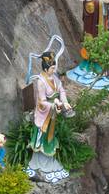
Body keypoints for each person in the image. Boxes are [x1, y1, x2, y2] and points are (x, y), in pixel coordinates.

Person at [26, 50, 74, 183]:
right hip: (44, 116)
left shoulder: (55, 78)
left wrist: (65, 102)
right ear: (46, 68)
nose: (55, 69)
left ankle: (50, 163)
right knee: (43, 139)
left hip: (53, 114)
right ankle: (41, 165)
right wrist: (54, 104)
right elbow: (41, 101)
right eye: (53, 68)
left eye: (55, 67)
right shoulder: (41, 81)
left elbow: (61, 90)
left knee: (50, 139)